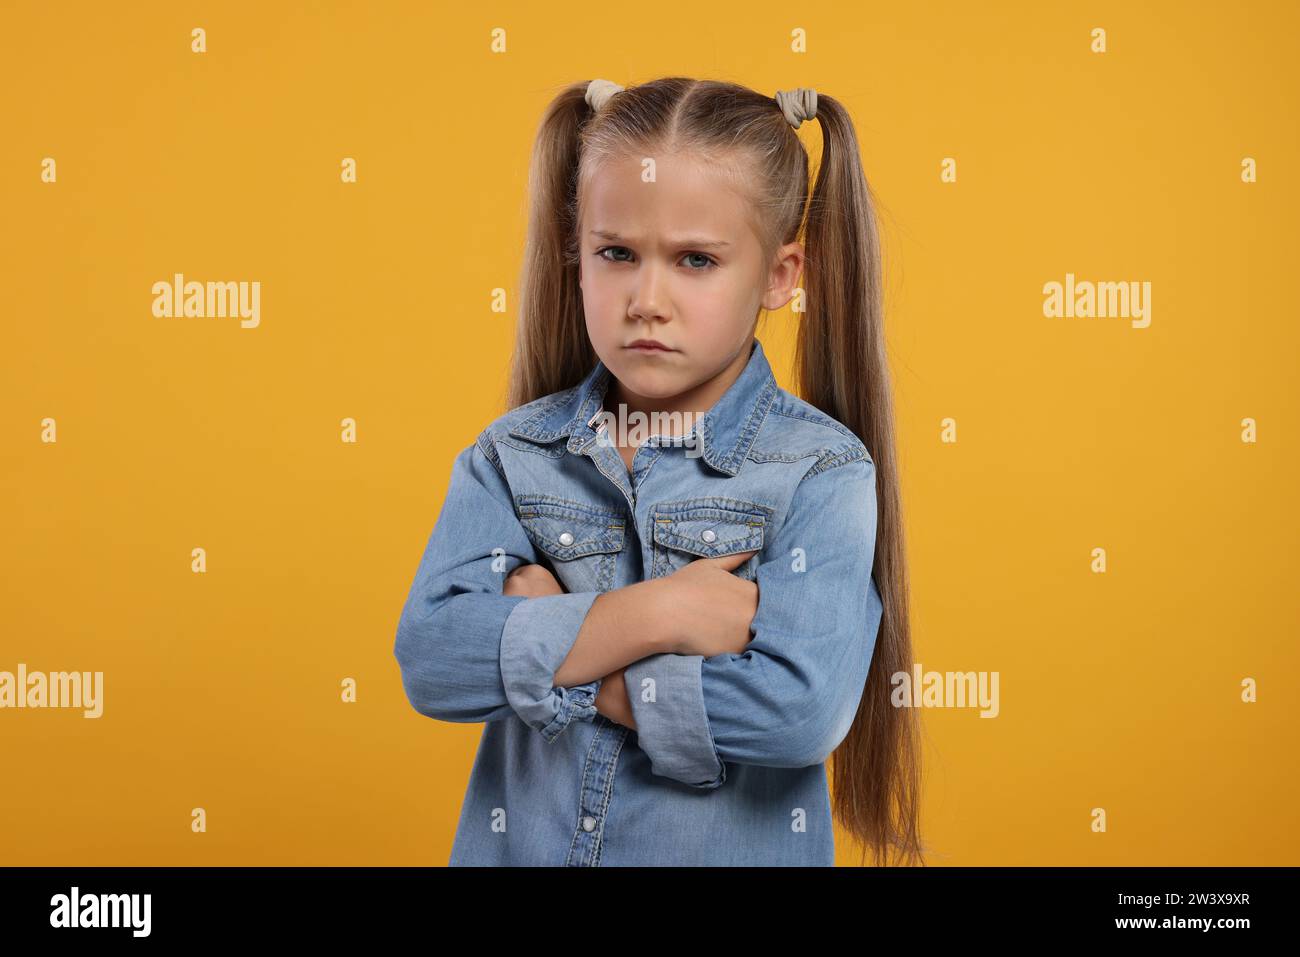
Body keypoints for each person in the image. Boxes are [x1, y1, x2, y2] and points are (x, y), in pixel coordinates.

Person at [394, 76, 924, 866]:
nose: (647, 298)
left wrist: (566, 648)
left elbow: (794, 711)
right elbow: (435, 658)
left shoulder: (818, 472)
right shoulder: (512, 457)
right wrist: (662, 611)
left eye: (695, 261)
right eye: (616, 253)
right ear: (575, 255)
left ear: (780, 275)